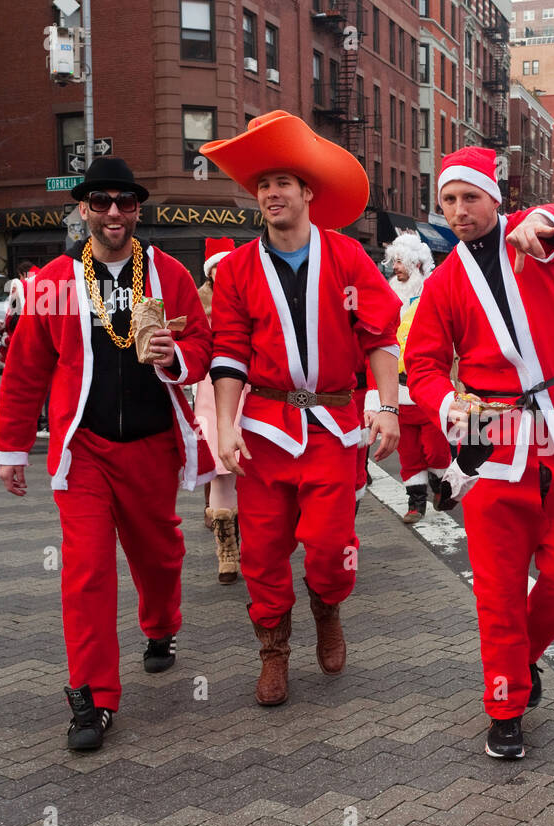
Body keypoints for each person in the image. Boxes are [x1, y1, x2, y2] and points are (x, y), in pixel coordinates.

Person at [0, 157, 214, 752]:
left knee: (159, 552)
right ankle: (91, 699)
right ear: (84, 209)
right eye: (101, 201)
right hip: (83, 449)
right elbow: (25, 370)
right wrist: (11, 449)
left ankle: (162, 627)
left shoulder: (169, 273)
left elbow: (203, 340)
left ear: (138, 210)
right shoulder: (53, 284)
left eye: (125, 202)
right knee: (86, 571)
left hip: (150, 444)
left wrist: (175, 356)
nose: (113, 212)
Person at [405, 145, 554, 760]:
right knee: (495, 589)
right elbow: (422, 364)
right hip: (494, 440)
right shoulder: (442, 283)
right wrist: (446, 405)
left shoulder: (532, 243)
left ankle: (524, 657)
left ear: (495, 198)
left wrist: (543, 227)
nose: (460, 210)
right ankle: (506, 707)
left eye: (471, 197)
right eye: (449, 201)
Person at [199, 111, 402, 707]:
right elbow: (230, 356)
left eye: (283, 182)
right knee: (261, 549)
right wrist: (227, 425)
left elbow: (380, 336)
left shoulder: (348, 258)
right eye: (262, 185)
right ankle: (273, 651)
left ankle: (328, 608)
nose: (270, 193)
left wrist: (387, 407)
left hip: (335, 427)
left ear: (308, 191)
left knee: (328, 544)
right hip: (265, 429)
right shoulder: (236, 269)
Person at [379, 233, 449, 523]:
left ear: (416, 263)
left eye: (400, 261)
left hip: (427, 385)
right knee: (407, 450)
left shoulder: (432, 293)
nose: (396, 267)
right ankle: (415, 503)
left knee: (434, 447)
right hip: (396, 387)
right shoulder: (387, 295)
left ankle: (439, 483)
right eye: (393, 261)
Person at [193, 237, 245, 584]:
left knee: (259, 471)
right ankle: (227, 549)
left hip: (256, 390)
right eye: (217, 269)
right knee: (222, 469)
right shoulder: (198, 303)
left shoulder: (252, 297)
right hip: (212, 394)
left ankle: (258, 540)